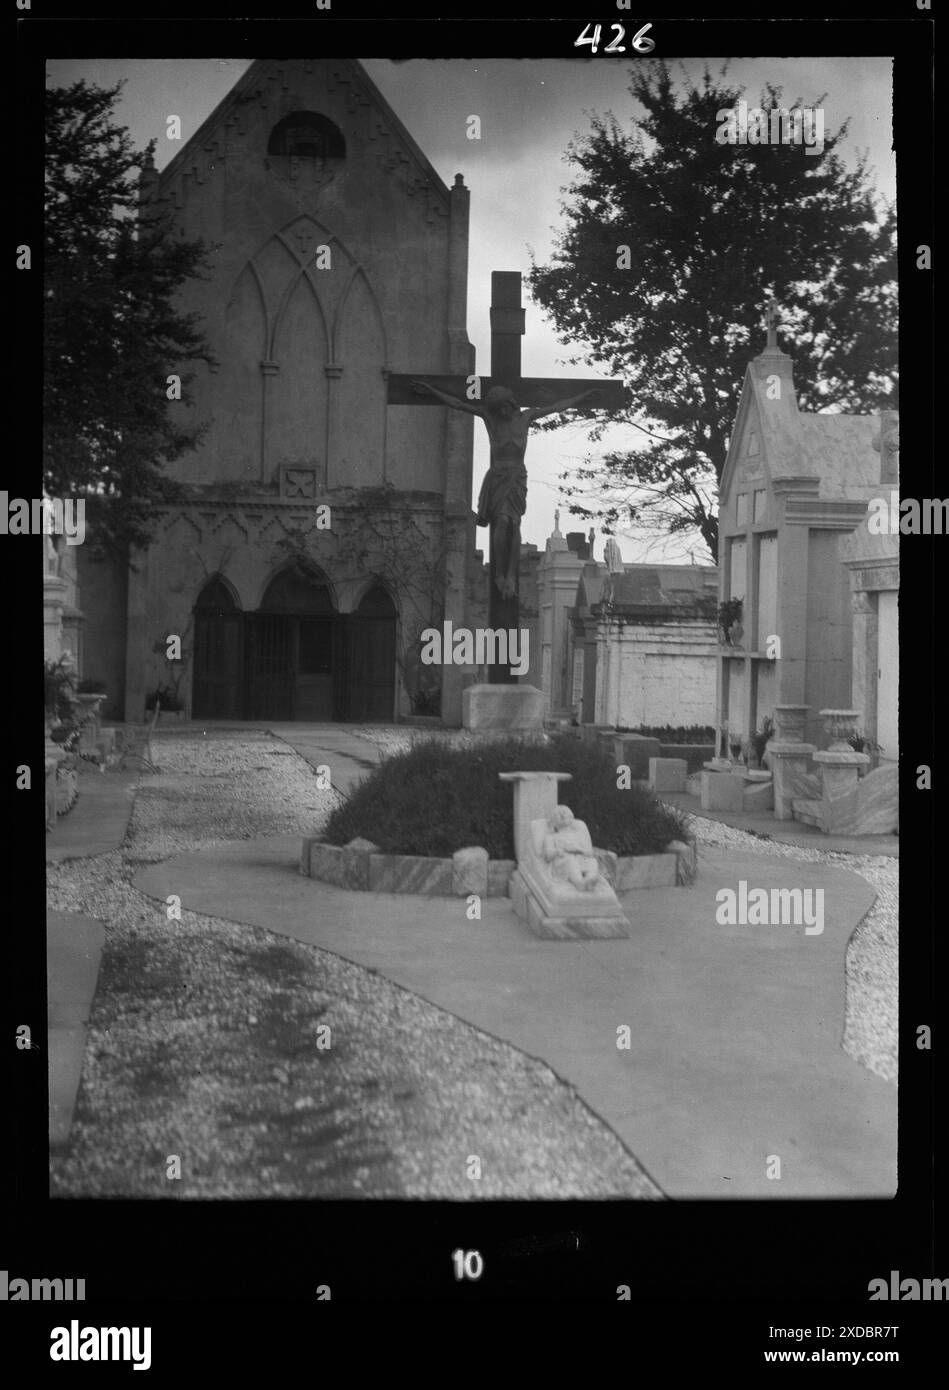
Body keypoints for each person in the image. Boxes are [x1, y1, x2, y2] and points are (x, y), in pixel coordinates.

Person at [412, 380, 599, 600]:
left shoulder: (526, 417)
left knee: (514, 522)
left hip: (517, 478)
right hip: (498, 478)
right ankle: (499, 574)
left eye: (502, 406)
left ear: (510, 403)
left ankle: (510, 576)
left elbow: (557, 406)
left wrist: (583, 396)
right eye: (496, 408)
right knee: (501, 524)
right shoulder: (490, 419)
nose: (500, 411)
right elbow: (458, 403)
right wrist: (432, 389)